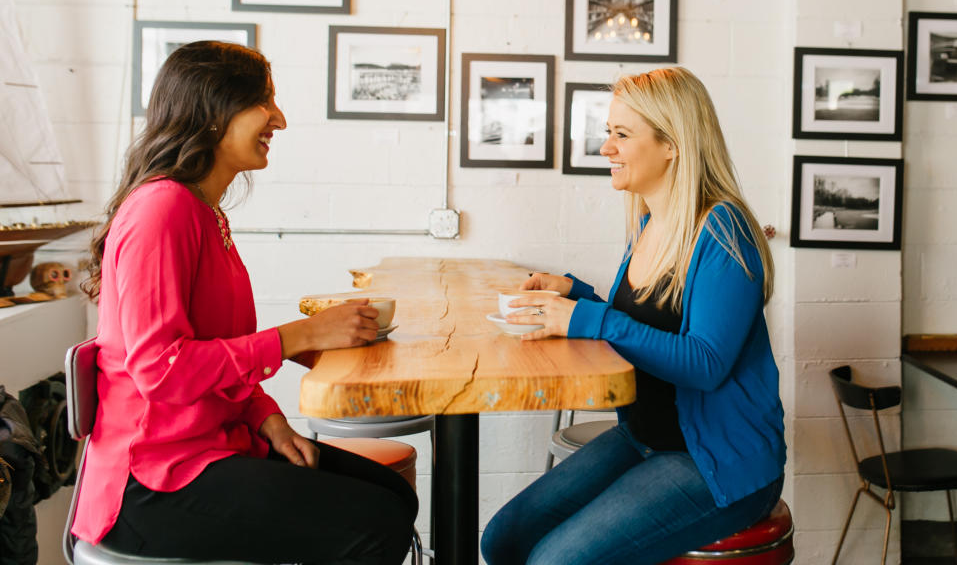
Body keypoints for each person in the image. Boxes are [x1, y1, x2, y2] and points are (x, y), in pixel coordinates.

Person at [72, 41, 417, 565]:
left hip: (207, 447)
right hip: (150, 482)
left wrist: (264, 416)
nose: (279, 118)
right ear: (214, 111)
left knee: (397, 498)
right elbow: (161, 370)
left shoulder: (205, 212)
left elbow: (216, 350)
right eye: (265, 101)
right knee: (376, 524)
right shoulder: (162, 212)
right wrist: (298, 337)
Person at [480, 67, 786, 565]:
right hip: (643, 439)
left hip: (713, 462)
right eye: (609, 133)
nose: (606, 148)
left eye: (622, 135)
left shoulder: (724, 232)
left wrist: (585, 317)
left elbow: (705, 363)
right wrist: (573, 294)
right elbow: (645, 324)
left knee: (552, 562)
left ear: (673, 145)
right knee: (502, 540)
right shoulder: (648, 222)